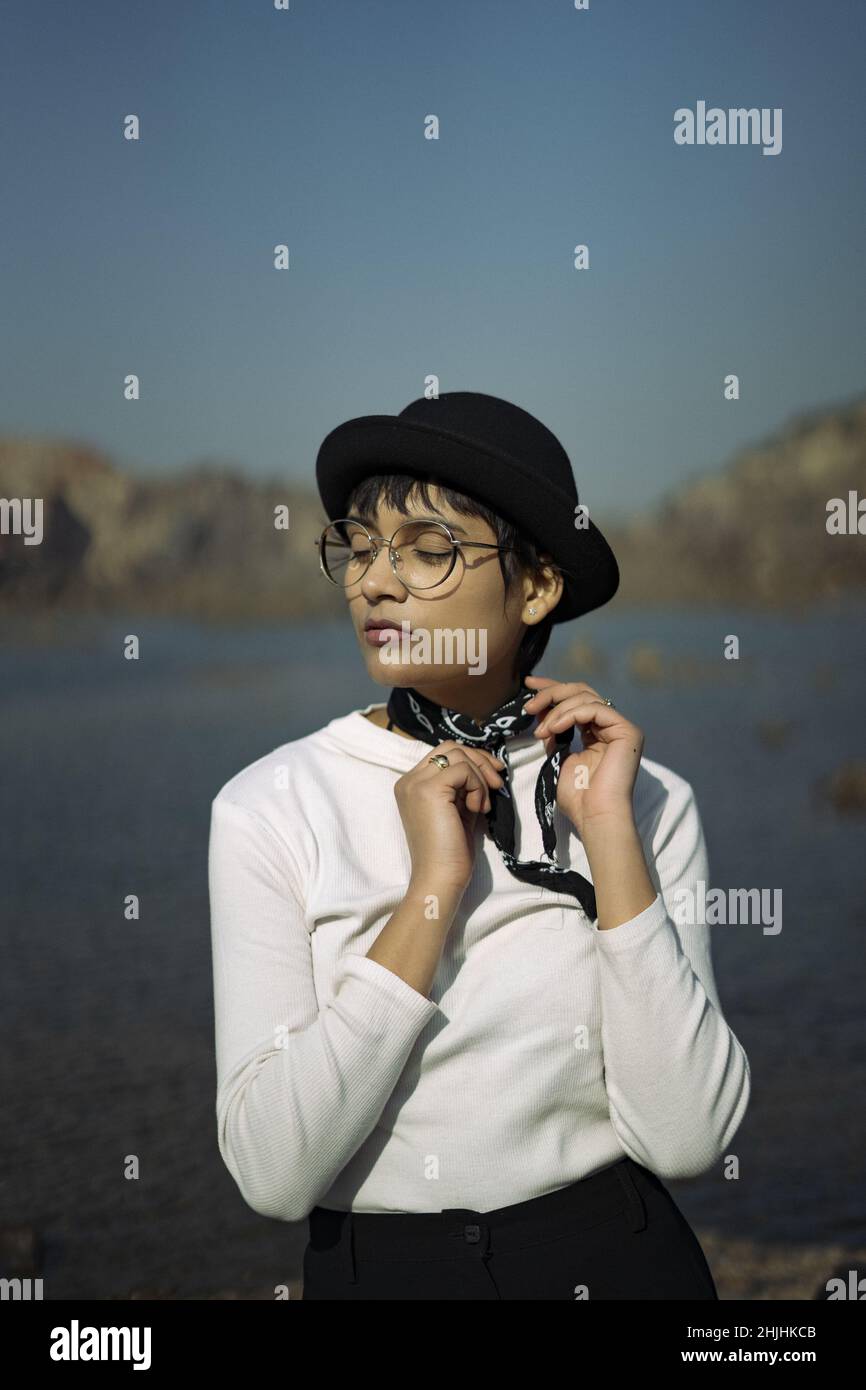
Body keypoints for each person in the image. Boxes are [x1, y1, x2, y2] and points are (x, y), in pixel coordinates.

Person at [207, 391, 751, 1300]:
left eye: (427, 550)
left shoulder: (642, 798)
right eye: (360, 546)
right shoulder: (269, 806)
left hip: (618, 1258)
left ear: (537, 585)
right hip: (377, 1275)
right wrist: (432, 890)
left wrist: (610, 841)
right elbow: (273, 1174)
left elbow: (689, 1137)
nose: (374, 581)